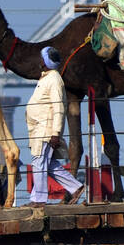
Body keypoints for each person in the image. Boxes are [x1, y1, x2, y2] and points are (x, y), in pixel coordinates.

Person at [26, 47, 83, 205]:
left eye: (41, 58)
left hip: (45, 128)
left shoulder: (54, 80)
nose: (39, 61)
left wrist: (56, 133)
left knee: (38, 161)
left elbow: (59, 107)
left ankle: (38, 200)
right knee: (47, 163)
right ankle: (76, 188)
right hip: (39, 128)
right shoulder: (47, 78)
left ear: (45, 62)